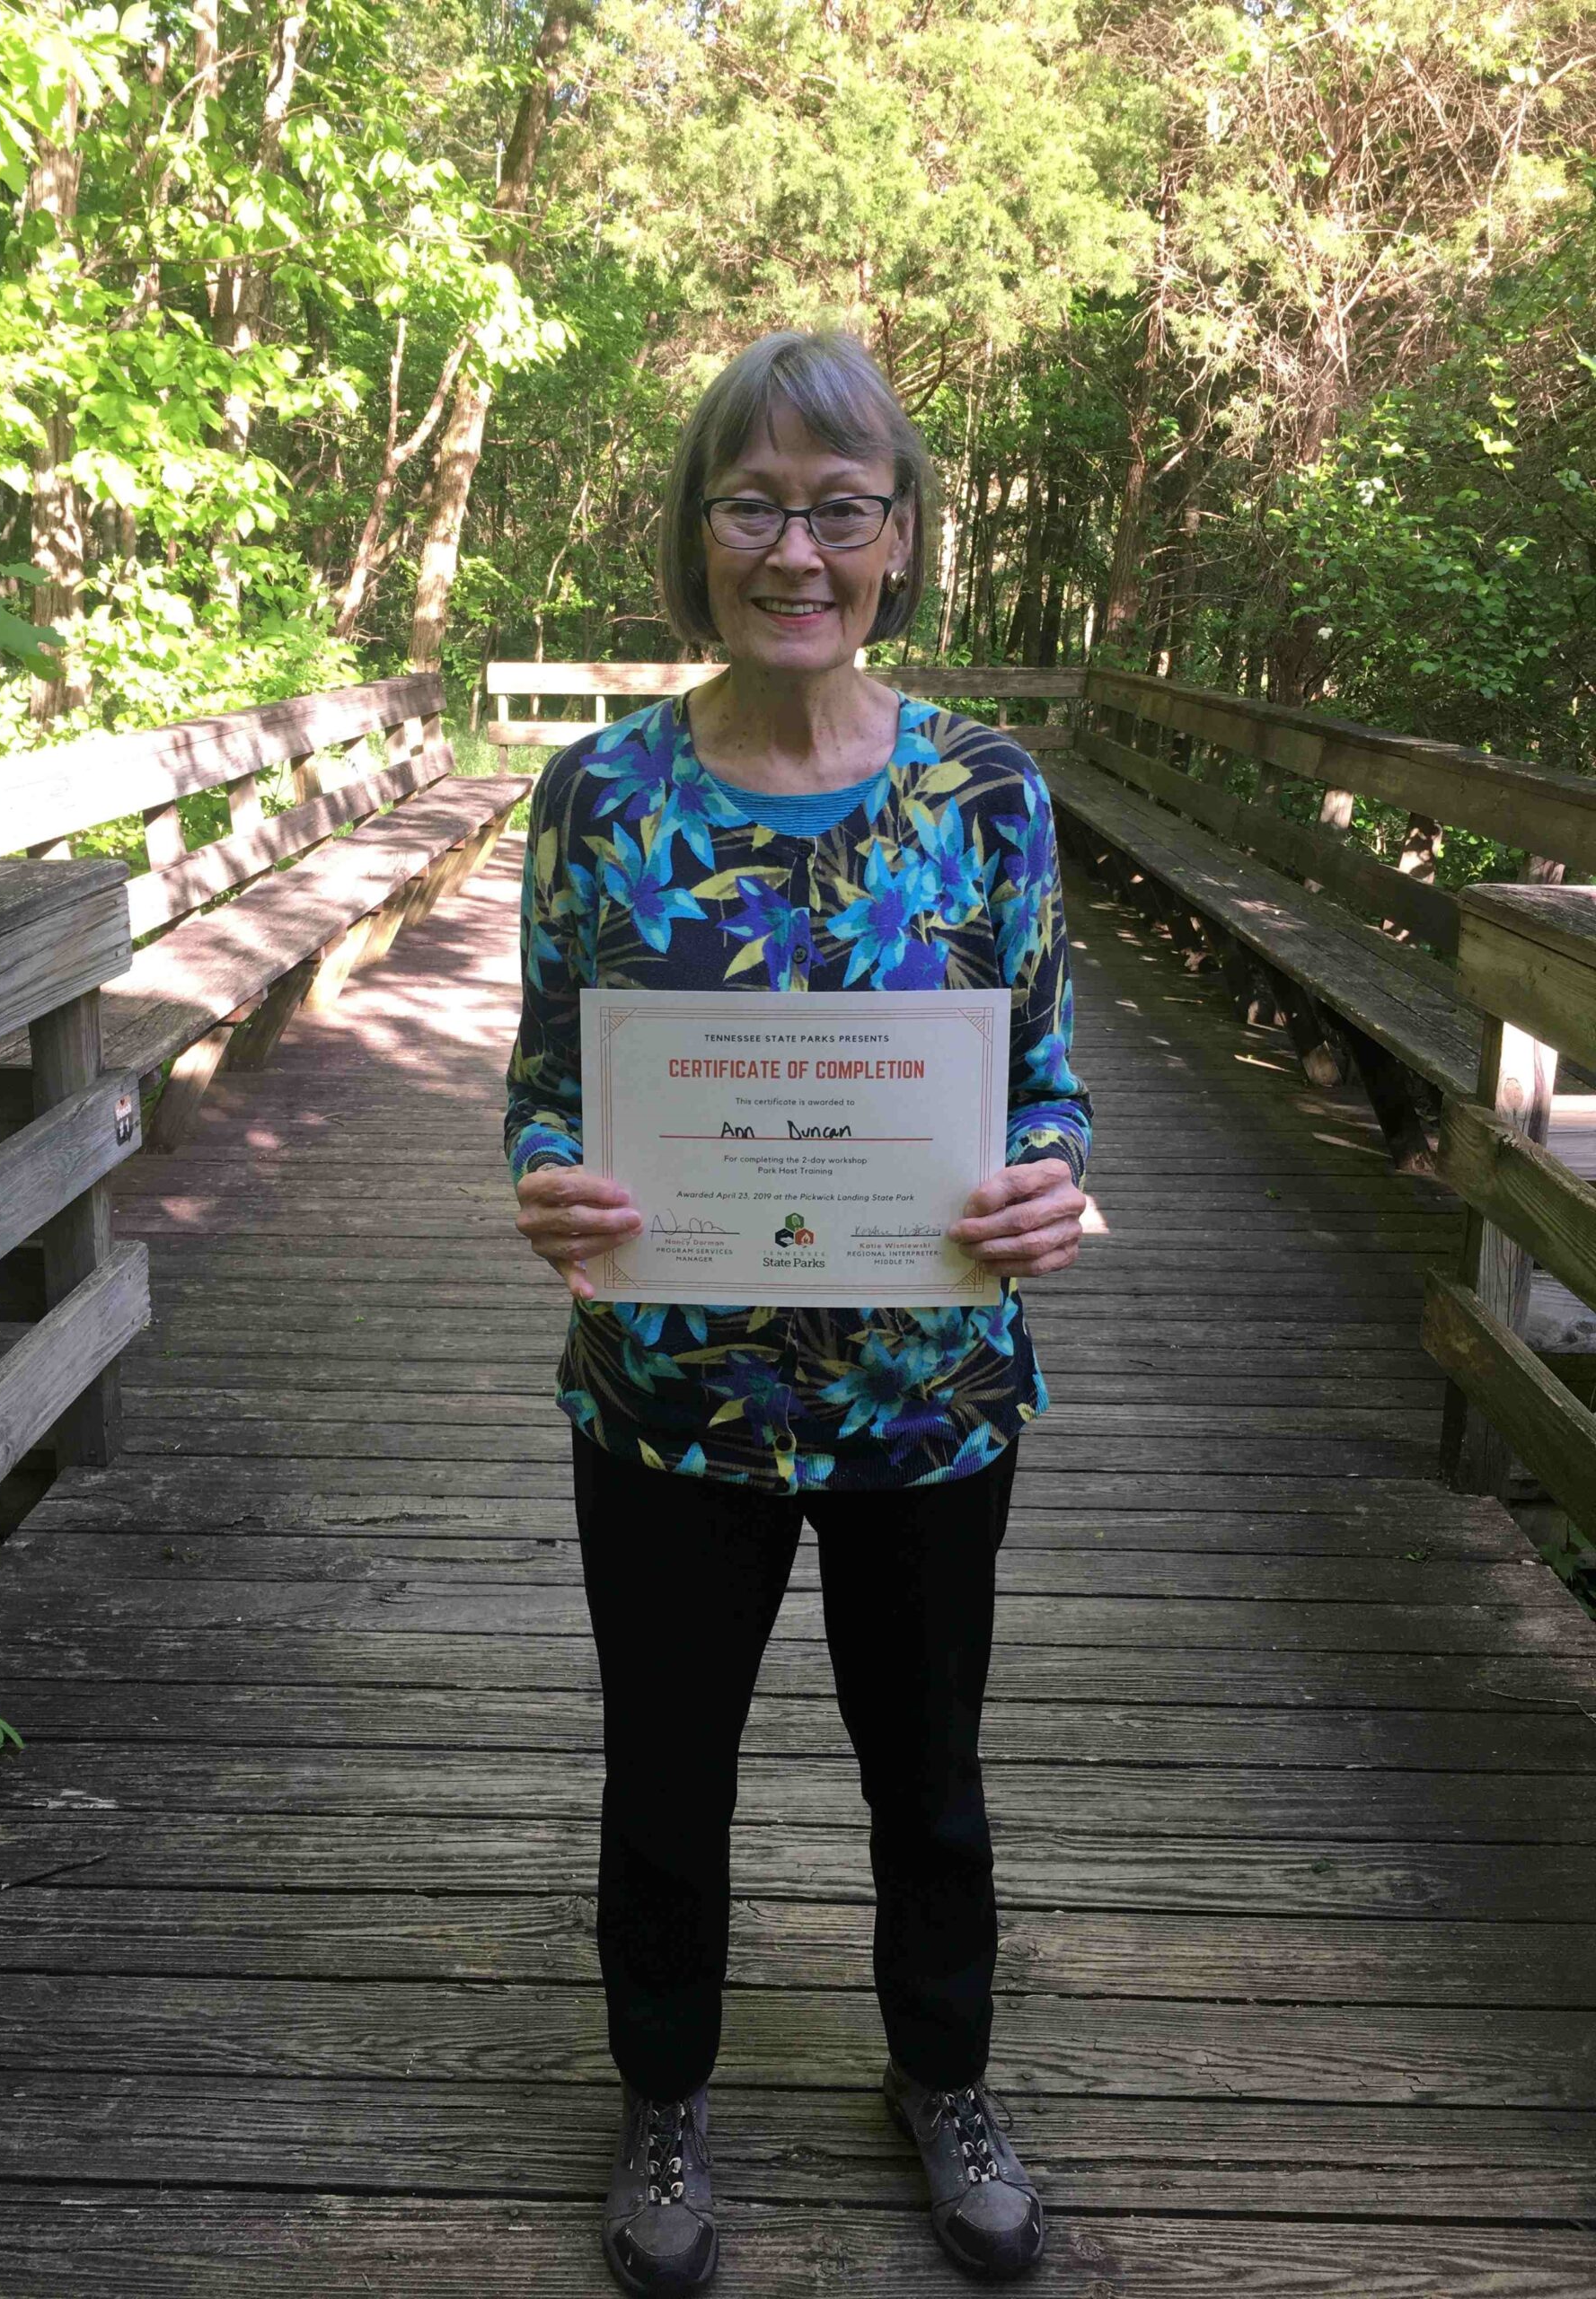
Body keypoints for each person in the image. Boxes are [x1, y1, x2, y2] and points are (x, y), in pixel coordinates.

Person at [505, 330, 1091, 2294]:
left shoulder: (989, 793)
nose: (796, 547)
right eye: (752, 502)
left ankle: (944, 2073)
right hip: (671, 1396)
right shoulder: (597, 795)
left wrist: (1053, 1178)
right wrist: (548, 1179)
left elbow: (1049, 1070)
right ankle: (664, 2093)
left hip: (933, 1392)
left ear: (899, 536)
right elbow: (543, 1071)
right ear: (698, 531)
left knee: (926, 1764)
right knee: (663, 1769)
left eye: (839, 508)